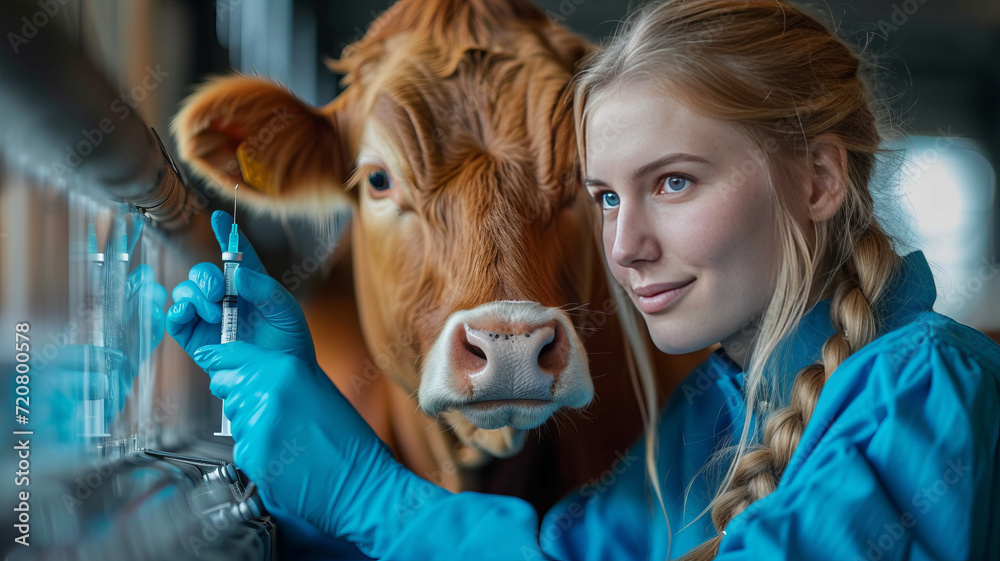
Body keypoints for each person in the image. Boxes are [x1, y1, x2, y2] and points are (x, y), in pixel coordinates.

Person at [167, 1, 1000, 559]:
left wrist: (366, 490)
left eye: (674, 182)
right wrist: (291, 440)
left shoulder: (920, 385)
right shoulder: (707, 415)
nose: (624, 245)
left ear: (820, 179)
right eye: (601, 194)